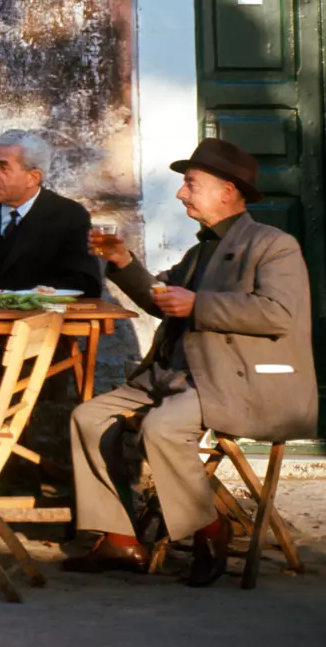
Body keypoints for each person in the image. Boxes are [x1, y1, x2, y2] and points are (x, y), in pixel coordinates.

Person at [66, 138, 317, 586]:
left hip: (233, 380)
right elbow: (165, 302)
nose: (182, 193)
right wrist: (125, 262)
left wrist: (199, 303)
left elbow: (279, 313)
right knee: (88, 417)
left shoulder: (273, 245)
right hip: (175, 375)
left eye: (191, 184)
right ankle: (122, 540)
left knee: (162, 428)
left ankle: (209, 528)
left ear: (227, 190)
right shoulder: (201, 252)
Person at [0, 130, 101, 296]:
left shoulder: (69, 216)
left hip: (41, 318)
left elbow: (84, 282)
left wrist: (30, 296)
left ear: (33, 177)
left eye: (3, 167)